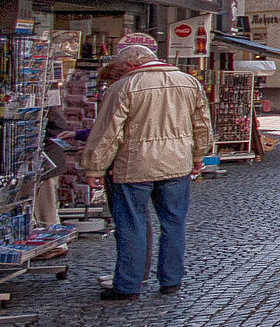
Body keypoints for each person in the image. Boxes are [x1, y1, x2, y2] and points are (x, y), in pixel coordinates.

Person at [78, 45, 215, 301]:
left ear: (129, 65)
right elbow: (202, 125)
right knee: (174, 224)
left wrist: (95, 167)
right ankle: (171, 280)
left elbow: (108, 133)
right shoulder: (188, 82)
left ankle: (128, 284)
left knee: (132, 225)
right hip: (176, 163)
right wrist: (198, 156)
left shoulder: (123, 87)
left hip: (134, 166)